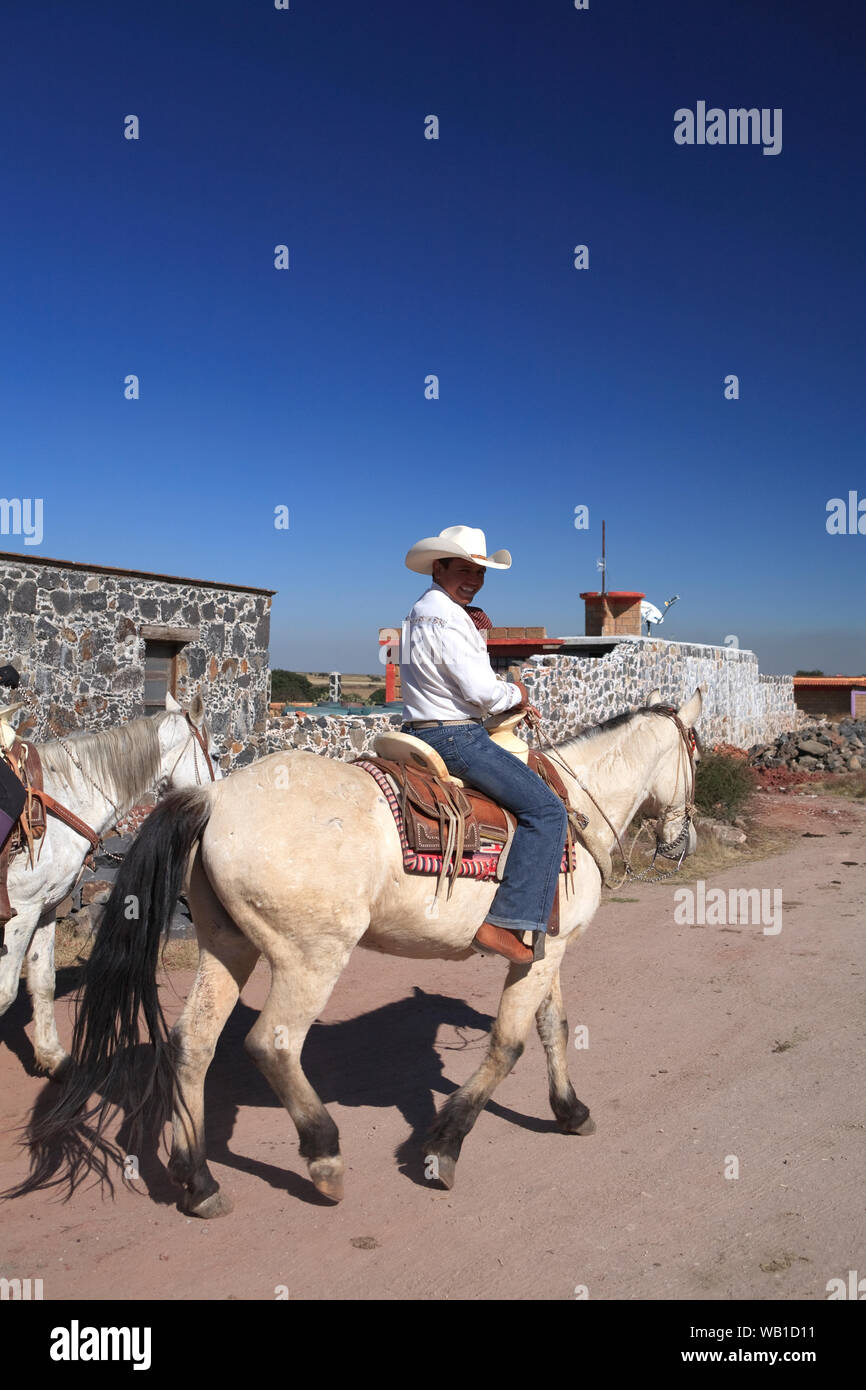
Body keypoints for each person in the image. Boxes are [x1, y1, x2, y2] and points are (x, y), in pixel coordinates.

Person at [400, 524, 568, 965]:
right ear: (438, 567)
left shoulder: (419, 612)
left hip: (418, 728)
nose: (473, 581)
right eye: (464, 570)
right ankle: (503, 920)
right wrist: (518, 695)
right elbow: (479, 692)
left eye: (480, 573)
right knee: (548, 811)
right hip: (455, 735)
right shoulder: (452, 618)